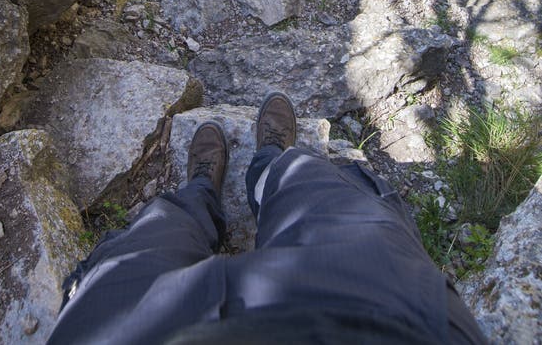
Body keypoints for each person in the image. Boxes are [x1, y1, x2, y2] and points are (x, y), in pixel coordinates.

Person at [47, 93, 487, 344]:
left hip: (129, 331)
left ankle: (201, 195)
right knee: (320, 188)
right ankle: (270, 165)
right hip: (386, 319)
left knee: (147, 241)